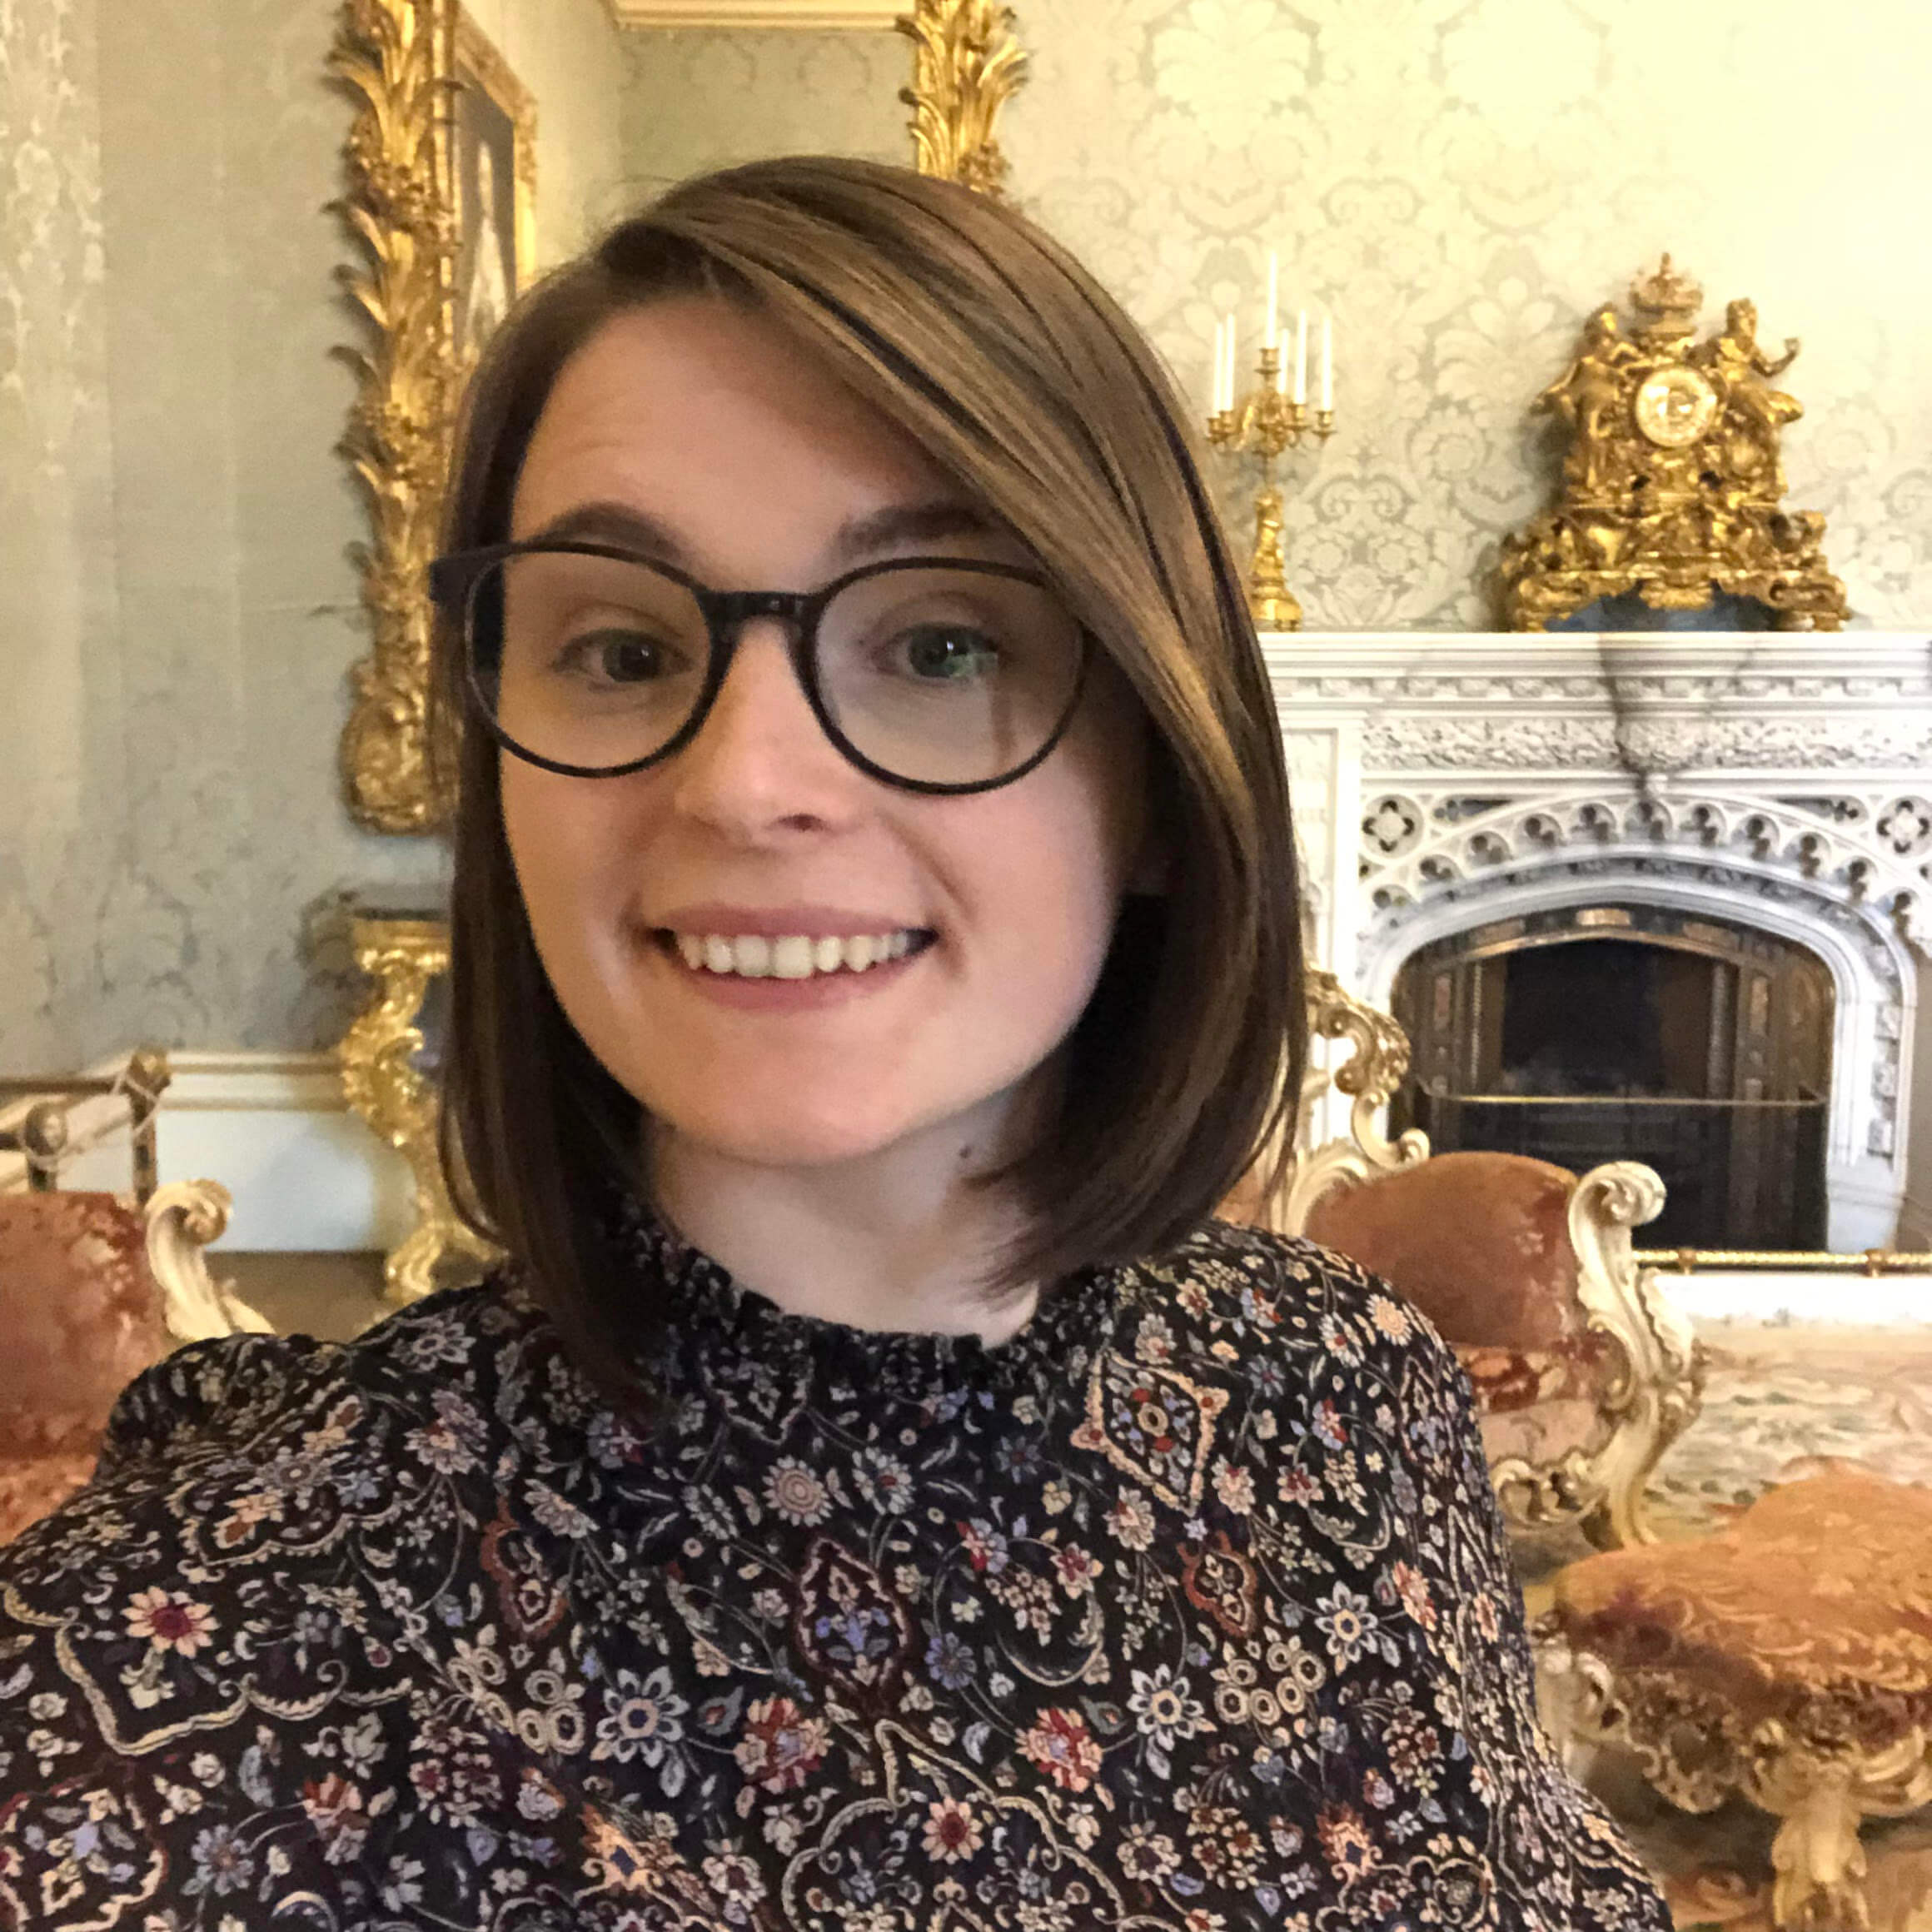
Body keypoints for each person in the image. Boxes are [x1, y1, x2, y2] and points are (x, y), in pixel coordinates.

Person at [0, 157, 1670, 1930]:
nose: (742, 780)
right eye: (624, 647)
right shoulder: (182, 1668)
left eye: (940, 642)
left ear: (1162, 779)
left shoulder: (1348, 1390)